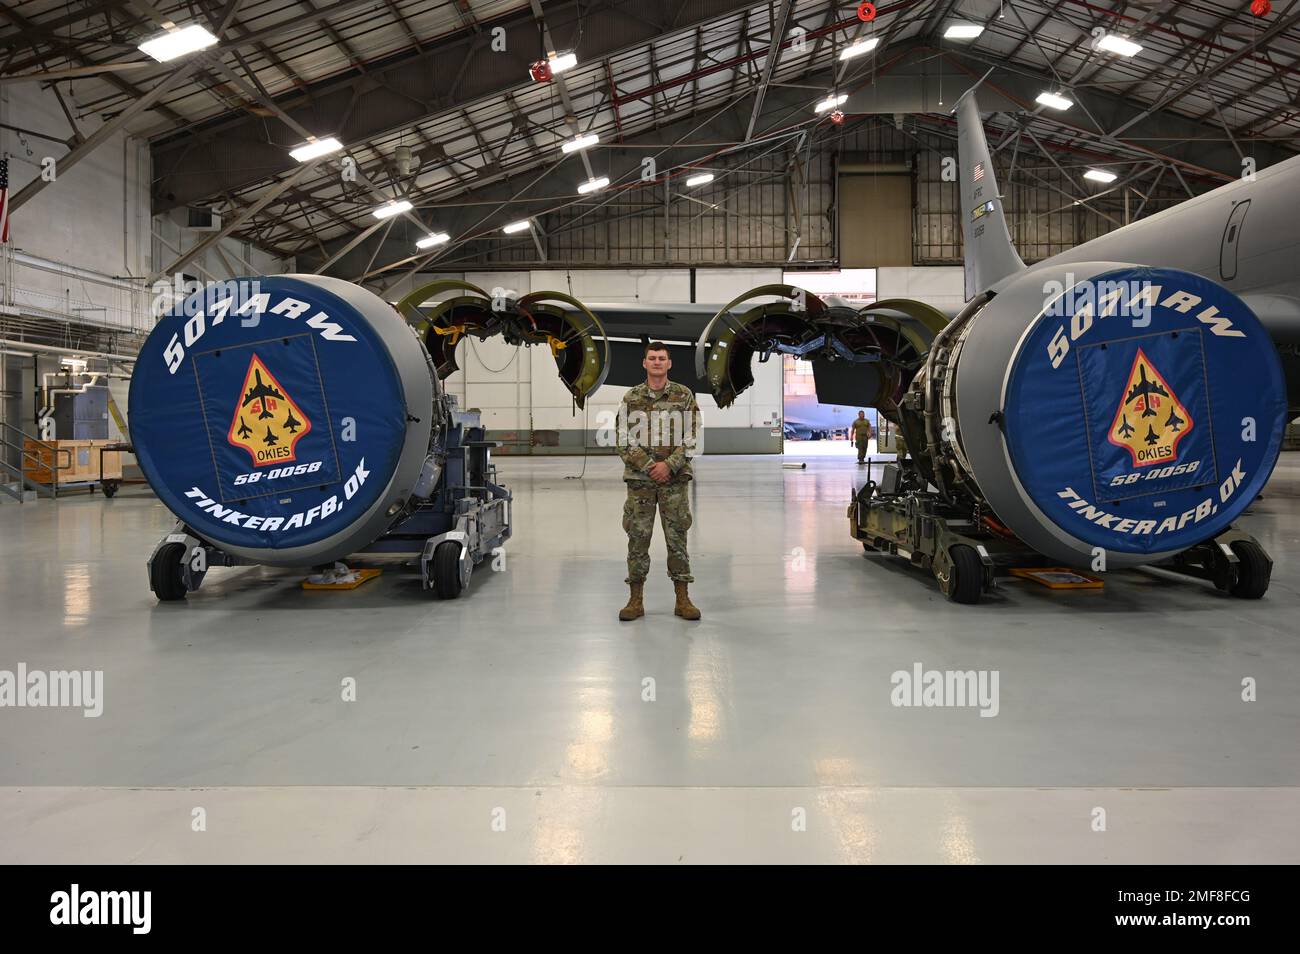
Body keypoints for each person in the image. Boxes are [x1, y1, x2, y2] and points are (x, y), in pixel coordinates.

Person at [616, 342, 702, 622]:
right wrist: (651, 466)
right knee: (638, 539)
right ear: (644, 363)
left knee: (677, 538)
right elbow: (622, 439)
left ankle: (683, 599)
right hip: (640, 483)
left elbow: (692, 436)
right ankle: (635, 600)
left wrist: (670, 466)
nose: (656, 362)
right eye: (652, 358)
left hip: (674, 482)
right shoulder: (631, 398)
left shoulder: (683, 395)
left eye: (661, 358)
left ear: (669, 363)